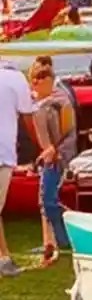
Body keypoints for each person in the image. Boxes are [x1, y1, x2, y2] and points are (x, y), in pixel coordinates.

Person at [30, 64, 76, 266]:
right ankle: (56, 242)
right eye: (36, 79)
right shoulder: (38, 104)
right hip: (48, 157)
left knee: (49, 201)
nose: (38, 83)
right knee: (46, 201)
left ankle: (63, 240)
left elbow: (68, 133)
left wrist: (55, 152)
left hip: (57, 159)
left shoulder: (59, 103)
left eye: (43, 79)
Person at [0, 58, 36, 277]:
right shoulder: (16, 78)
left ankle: (4, 258)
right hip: (3, 153)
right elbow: (29, 118)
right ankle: (4, 259)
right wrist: (41, 145)